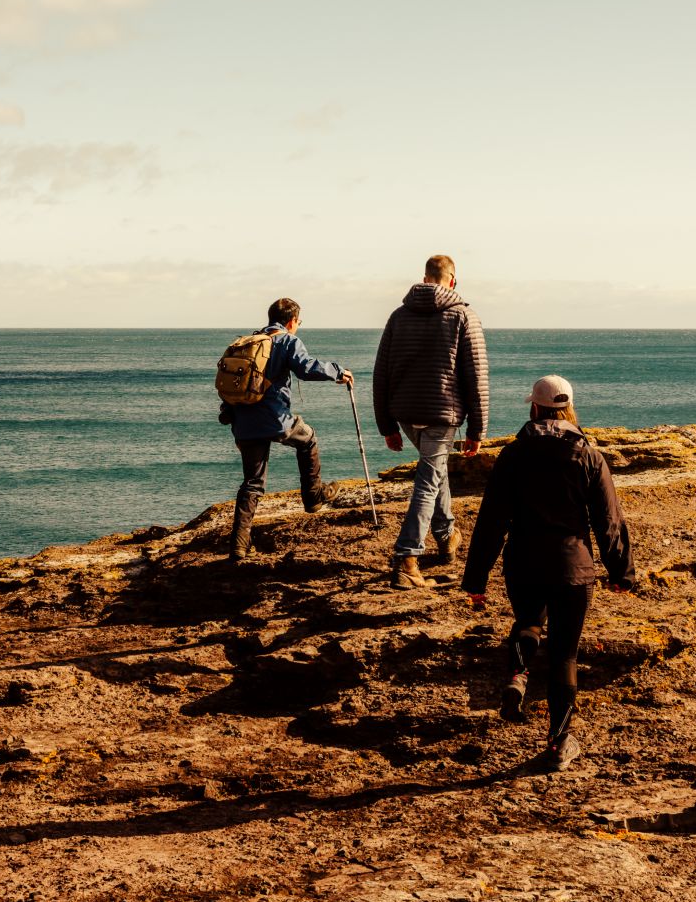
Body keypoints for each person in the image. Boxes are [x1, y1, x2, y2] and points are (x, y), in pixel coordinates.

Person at [459, 375, 633, 773]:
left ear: (534, 408)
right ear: (568, 409)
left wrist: (476, 580)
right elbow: (609, 521)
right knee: (564, 654)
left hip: (523, 563)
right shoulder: (588, 455)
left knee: (528, 623)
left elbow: (491, 522)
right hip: (573, 568)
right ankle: (558, 743)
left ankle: (518, 675)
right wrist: (621, 571)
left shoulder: (513, 455)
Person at [371, 254, 489, 589]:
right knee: (428, 479)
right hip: (441, 412)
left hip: (406, 413)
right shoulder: (463, 315)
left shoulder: (398, 316)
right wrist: (477, 430)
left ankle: (447, 534)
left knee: (434, 472)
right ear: (452, 279)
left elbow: (382, 373)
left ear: (425, 279)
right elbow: (476, 376)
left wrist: (387, 425)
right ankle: (407, 557)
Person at [224, 298, 353, 561]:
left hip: (244, 419)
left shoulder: (248, 342)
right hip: (275, 419)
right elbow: (306, 368)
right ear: (292, 321)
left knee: (252, 483)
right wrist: (338, 372)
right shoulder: (287, 341)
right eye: (299, 322)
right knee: (307, 439)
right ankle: (314, 497)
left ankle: (238, 546)